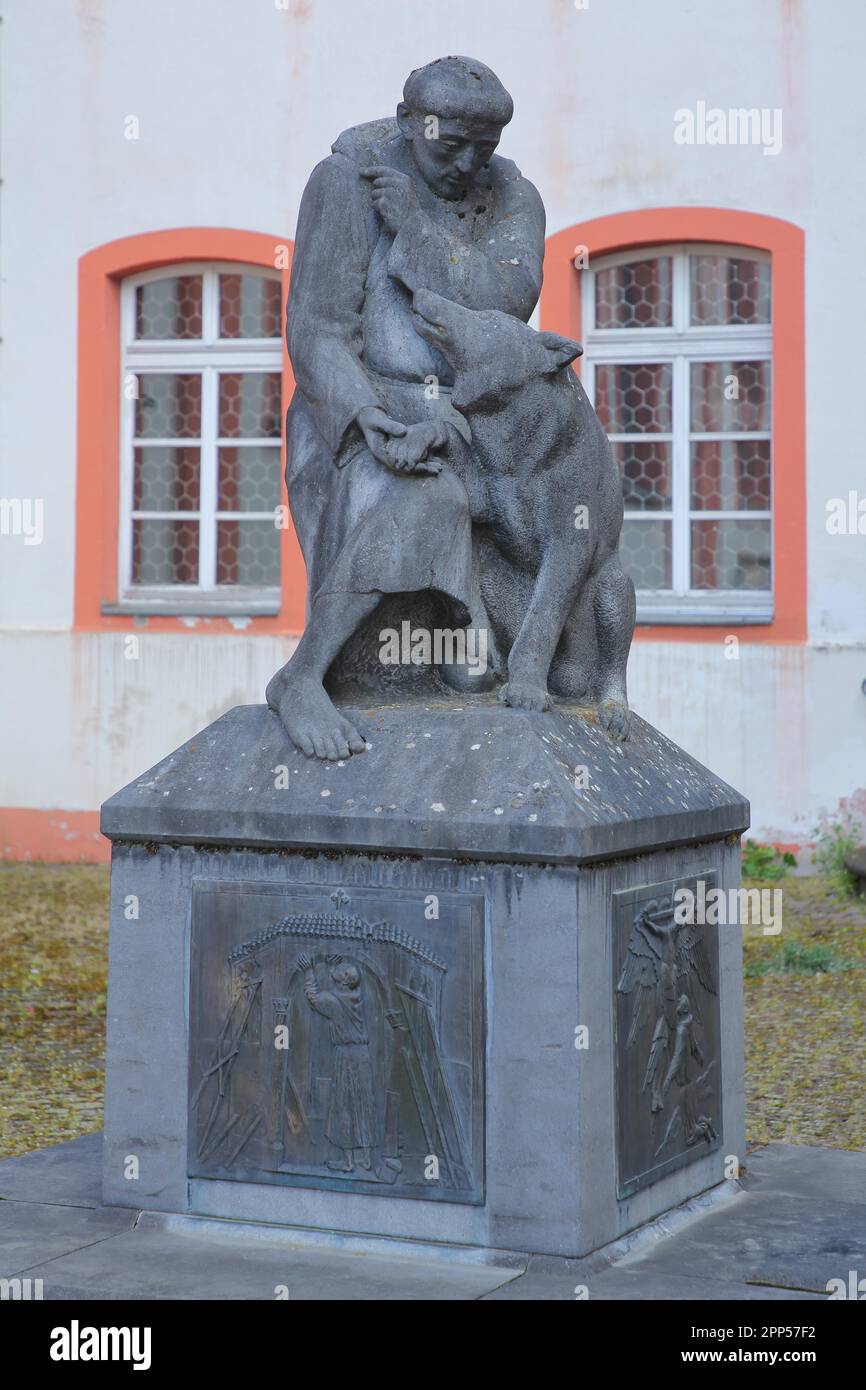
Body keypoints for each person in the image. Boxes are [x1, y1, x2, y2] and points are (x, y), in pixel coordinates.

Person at [265, 55, 545, 760]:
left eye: (484, 148)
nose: (467, 164)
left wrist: (419, 227)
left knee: (555, 504)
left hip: (476, 417)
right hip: (358, 413)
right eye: (450, 144)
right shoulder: (344, 183)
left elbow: (506, 305)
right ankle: (303, 677)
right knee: (426, 499)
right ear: (406, 123)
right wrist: (367, 416)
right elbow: (319, 329)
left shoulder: (513, 199)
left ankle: (481, 635)